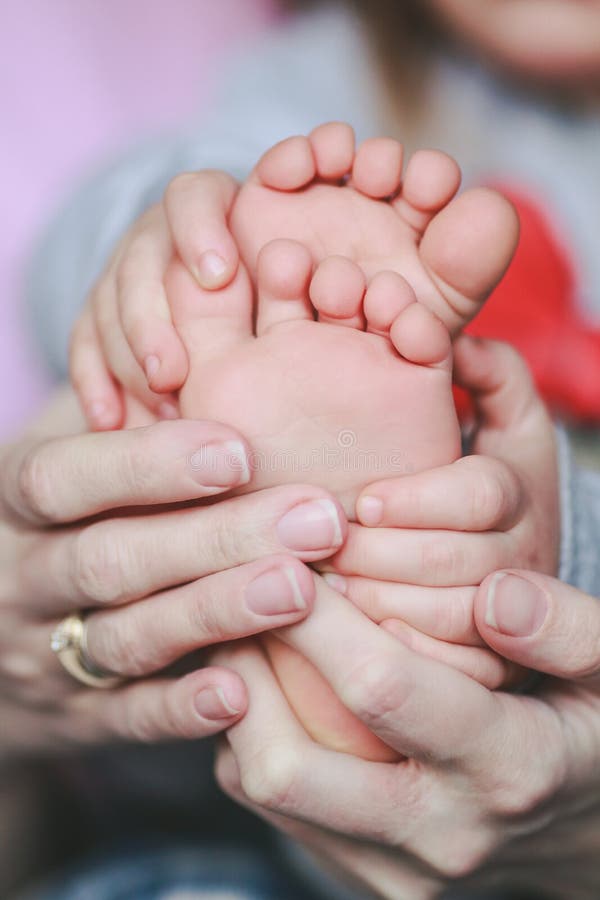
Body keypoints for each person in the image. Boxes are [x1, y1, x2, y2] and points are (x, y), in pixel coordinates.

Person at [10, 0, 599, 895]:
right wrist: (185, 261)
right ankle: (379, 589)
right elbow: (111, 202)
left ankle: (462, 577)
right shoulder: (317, 77)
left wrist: (557, 546)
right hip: (194, 782)